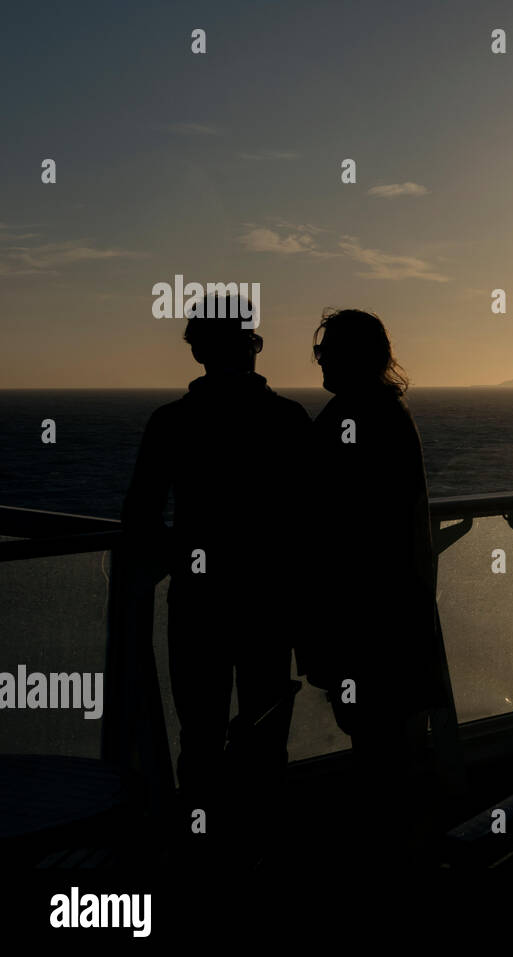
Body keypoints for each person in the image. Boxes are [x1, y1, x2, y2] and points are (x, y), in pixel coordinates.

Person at [121, 293, 310, 863]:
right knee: (265, 730)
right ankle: (261, 842)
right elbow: (314, 516)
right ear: (253, 347)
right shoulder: (288, 420)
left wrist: (179, 556)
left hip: (199, 599)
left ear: (198, 352)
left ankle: (199, 850)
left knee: (199, 734)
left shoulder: (172, 423)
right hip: (270, 600)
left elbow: (141, 516)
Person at [299, 308, 453, 856]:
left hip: (364, 620)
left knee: (376, 741)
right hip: (387, 615)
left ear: (354, 357)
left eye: (328, 352)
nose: (320, 361)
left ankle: (388, 854)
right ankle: (398, 848)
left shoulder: (356, 418)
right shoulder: (384, 413)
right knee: (386, 740)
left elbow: (335, 520)